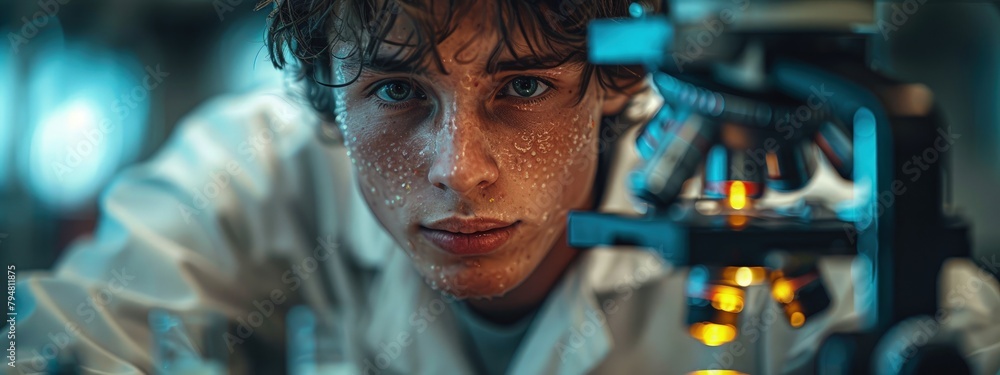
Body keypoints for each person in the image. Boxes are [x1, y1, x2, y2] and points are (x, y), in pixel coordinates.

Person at [7, 0, 1000, 374]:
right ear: (324, 94)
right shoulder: (252, 168)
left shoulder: (769, 214)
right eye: (397, 90)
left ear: (622, 79)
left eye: (522, 87)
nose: (458, 167)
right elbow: (65, 340)